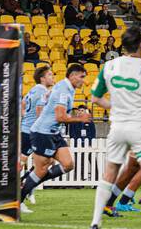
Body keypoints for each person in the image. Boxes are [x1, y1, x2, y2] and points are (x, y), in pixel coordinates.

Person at [88, 27, 141, 229]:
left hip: (117, 127)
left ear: (122, 45)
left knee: (109, 173)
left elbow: (95, 98)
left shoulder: (108, 66)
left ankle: (95, 222)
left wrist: (114, 107)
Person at [22, 63, 92, 206]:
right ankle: (19, 199)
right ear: (72, 76)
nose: (83, 81)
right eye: (81, 77)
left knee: (68, 164)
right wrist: (80, 119)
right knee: (41, 169)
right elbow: (60, 117)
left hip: (54, 132)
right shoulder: (63, 90)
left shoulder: (66, 88)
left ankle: (30, 182)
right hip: (42, 132)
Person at [18, 64, 55, 211]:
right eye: (50, 75)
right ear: (42, 78)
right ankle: (17, 195)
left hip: (28, 129)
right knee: (21, 163)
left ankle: (26, 185)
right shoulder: (43, 91)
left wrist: (25, 117)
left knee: (48, 160)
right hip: (31, 132)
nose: (52, 77)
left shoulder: (33, 90)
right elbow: (40, 110)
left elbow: (22, 103)